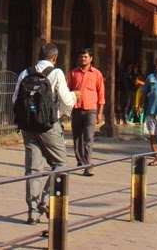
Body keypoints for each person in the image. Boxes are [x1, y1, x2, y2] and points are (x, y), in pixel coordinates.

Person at [13, 43, 76, 224]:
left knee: (33, 168)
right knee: (61, 164)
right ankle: (47, 200)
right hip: (48, 126)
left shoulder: (25, 73)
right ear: (54, 58)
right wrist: (72, 99)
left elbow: (15, 99)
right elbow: (65, 99)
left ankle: (33, 212)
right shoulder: (56, 73)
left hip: (28, 127)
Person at [67, 48, 105, 175]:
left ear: (91, 59)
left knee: (88, 137)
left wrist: (100, 112)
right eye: (81, 57)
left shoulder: (97, 74)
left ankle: (88, 165)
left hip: (91, 110)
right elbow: (67, 90)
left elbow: (101, 94)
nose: (83, 59)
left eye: (85, 57)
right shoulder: (73, 73)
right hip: (77, 109)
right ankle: (80, 161)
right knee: (77, 137)